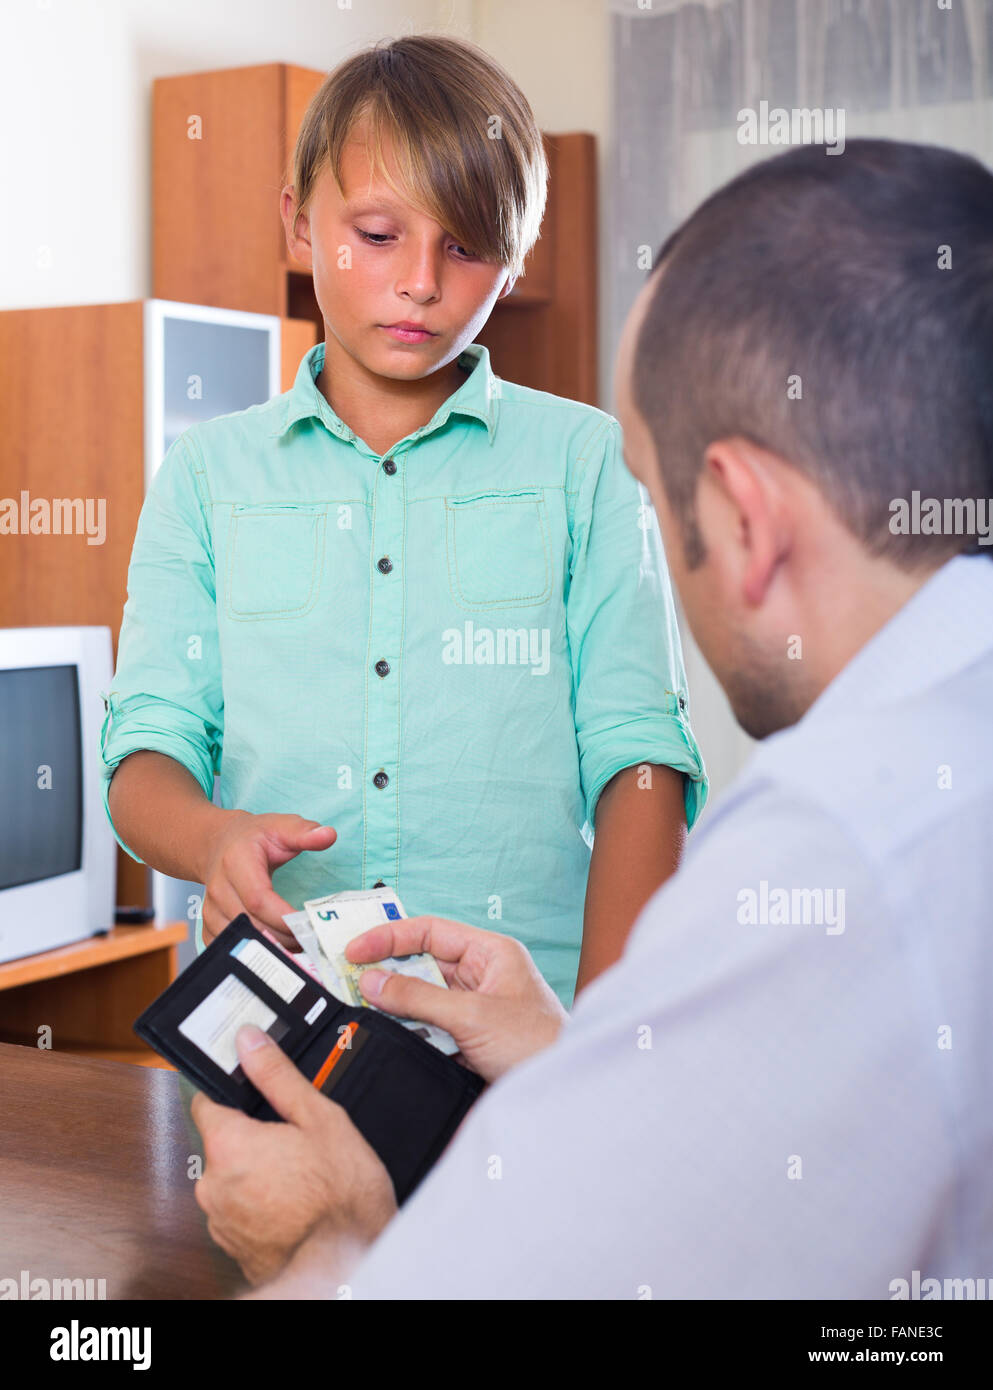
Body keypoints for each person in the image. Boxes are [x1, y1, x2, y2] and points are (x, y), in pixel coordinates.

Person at [193, 136, 993, 1299]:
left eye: (662, 499)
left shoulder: (843, 844)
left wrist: (328, 1246)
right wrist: (576, 1052)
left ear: (743, 516)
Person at [99, 34, 707, 1008]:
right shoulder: (205, 477)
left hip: (521, 1030)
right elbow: (146, 753)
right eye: (379, 236)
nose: (422, 280)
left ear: (514, 260)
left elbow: (641, 761)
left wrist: (591, 1059)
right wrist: (213, 837)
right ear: (300, 226)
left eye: (465, 246)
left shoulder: (588, 463)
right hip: (276, 1024)